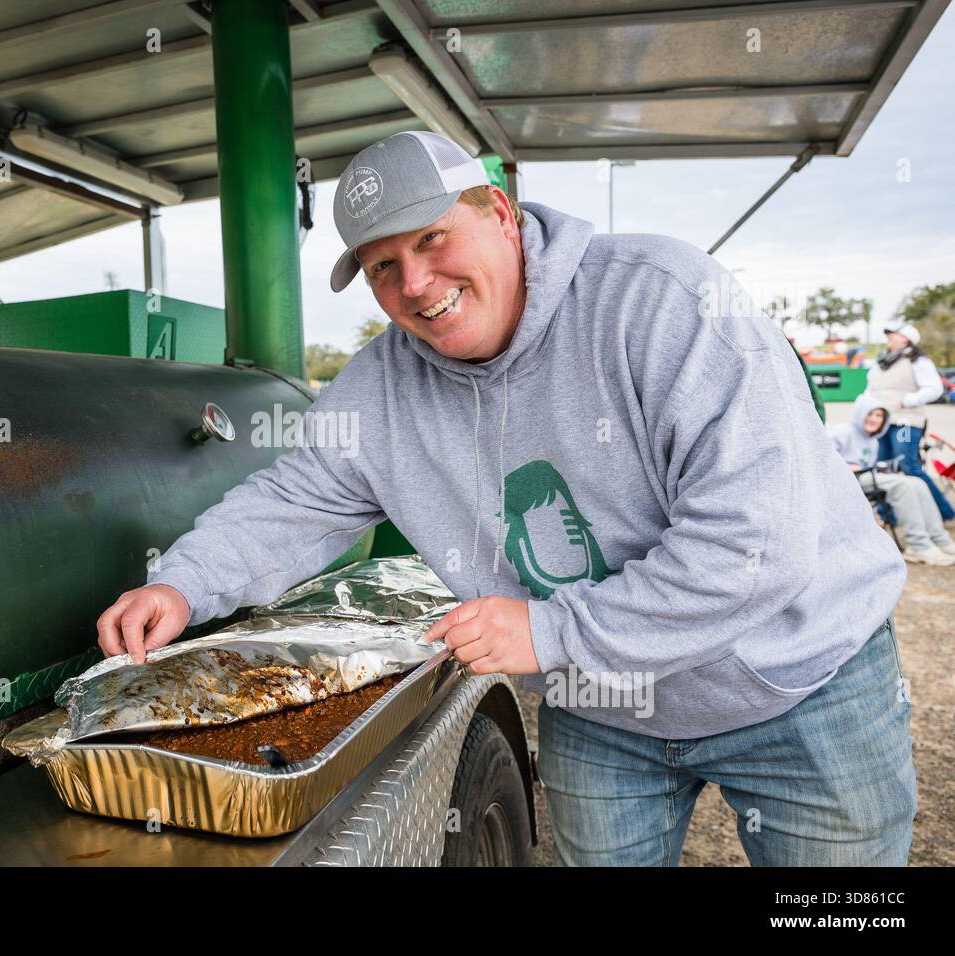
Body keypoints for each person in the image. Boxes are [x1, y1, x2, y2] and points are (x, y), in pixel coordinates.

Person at [97, 131, 915, 866]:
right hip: (605, 708)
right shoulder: (381, 388)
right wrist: (183, 582)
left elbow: (756, 545)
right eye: (383, 266)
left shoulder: (662, 299)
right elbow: (293, 501)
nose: (416, 283)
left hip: (797, 680)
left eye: (432, 238)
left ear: (499, 211)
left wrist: (551, 629)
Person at [830, 394, 955, 565]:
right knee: (902, 485)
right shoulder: (843, 431)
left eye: (879, 416)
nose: (874, 419)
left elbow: (870, 464)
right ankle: (917, 546)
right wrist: (844, 466)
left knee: (917, 483)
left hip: (867, 477)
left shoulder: (872, 440)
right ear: (860, 413)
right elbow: (823, 457)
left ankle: (940, 538)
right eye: (870, 414)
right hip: (847, 481)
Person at [868, 322, 954, 521]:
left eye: (894, 334)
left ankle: (943, 511)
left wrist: (907, 400)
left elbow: (934, 388)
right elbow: (872, 390)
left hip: (905, 421)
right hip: (883, 422)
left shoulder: (917, 360)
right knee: (881, 466)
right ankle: (888, 515)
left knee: (908, 465)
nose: (889, 337)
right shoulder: (883, 361)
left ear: (907, 339)